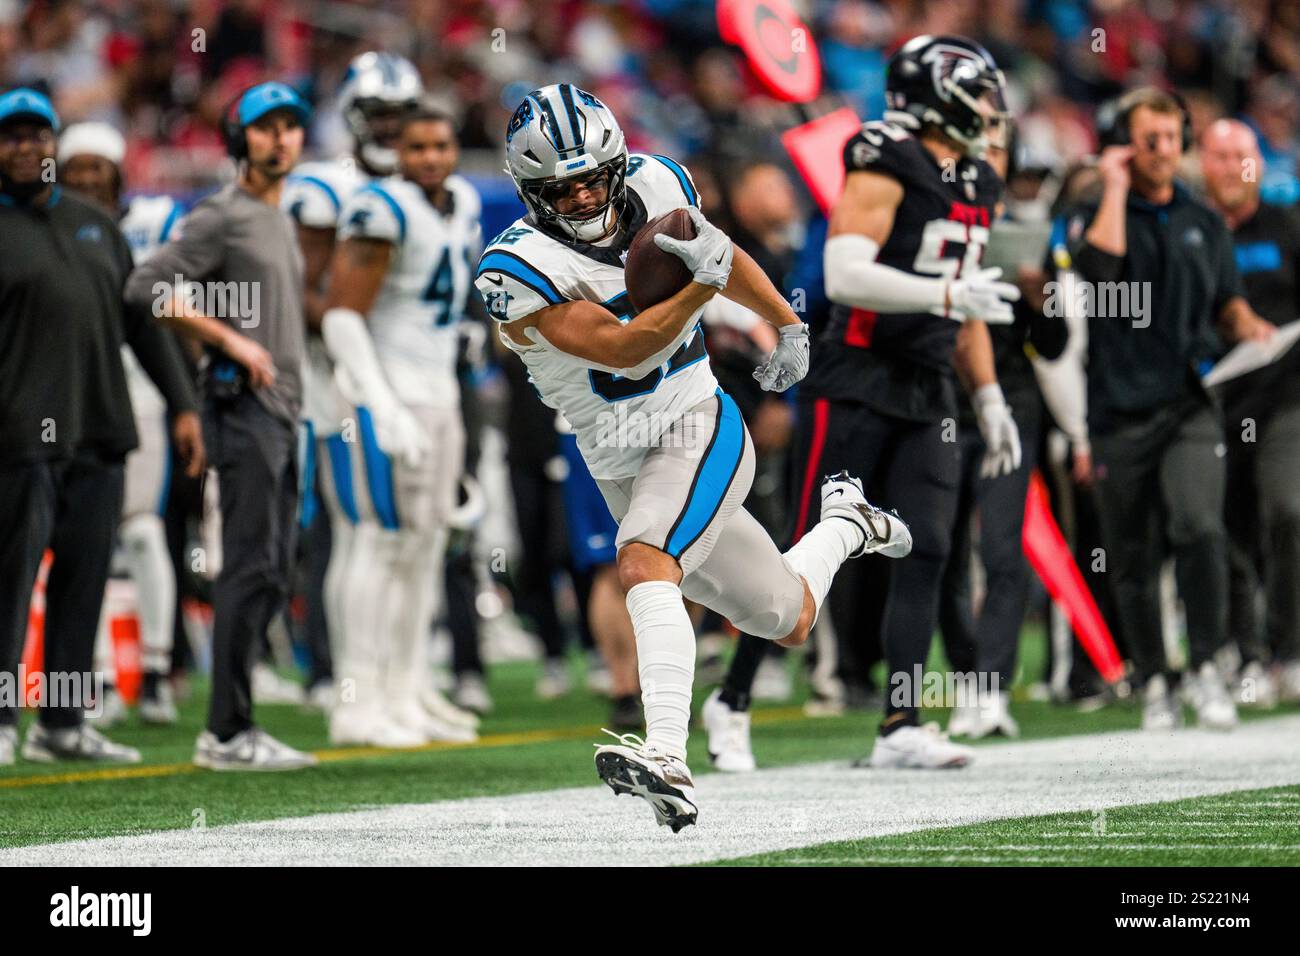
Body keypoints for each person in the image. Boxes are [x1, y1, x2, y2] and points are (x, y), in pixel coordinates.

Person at [476, 84, 911, 832]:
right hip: (615, 455)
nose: (582, 197)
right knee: (787, 614)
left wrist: (783, 320)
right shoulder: (515, 268)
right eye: (562, 187)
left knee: (644, 559)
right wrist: (704, 283)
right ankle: (847, 522)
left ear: (616, 164)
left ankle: (668, 757)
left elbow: (719, 251)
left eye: (591, 178)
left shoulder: (658, 183)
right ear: (529, 193)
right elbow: (625, 342)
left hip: (697, 421)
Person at [708, 36, 1023, 771]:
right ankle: (735, 697)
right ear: (940, 92)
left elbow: (966, 303)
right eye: (976, 90)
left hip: (929, 381)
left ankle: (900, 723)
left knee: (929, 546)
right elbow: (848, 274)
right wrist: (948, 295)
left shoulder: (976, 177)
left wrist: (990, 395)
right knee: (806, 542)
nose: (990, 108)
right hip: (855, 376)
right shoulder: (886, 152)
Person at [1062, 88, 1274, 731]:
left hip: (1188, 405)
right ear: (1126, 145)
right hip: (1118, 410)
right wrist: (1117, 186)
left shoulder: (1202, 221)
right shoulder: (1094, 208)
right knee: (1131, 553)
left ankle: (1206, 663)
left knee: (1199, 527)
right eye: (1148, 139)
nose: (1162, 151)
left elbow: (1226, 306)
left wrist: (1258, 329)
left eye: (1171, 138)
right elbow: (1096, 277)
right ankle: (1156, 677)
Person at [0, 88, 202, 766]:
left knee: (83, 582)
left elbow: (143, 324)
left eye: (38, 135)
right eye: (12, 136)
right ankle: (1, 722)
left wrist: (181, 404)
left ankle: (61, 724)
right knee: (10, 581)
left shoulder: (96, 225)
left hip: (100, 430)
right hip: (17, 436)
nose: (26, 147)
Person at [124, 81, 317, 770]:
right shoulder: (222, 214)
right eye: (266, 128)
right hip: (242, 412)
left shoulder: (277, 216)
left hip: (283, 413)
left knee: (270, 567)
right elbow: (145, 286)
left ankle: (235, 721)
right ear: (241, 139)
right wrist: (225, 339)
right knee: (247, 565)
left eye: (291, 126)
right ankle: (227, 731)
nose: (281, 138)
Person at [316, 104, 483, 747]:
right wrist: (379, 404)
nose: (432, 158)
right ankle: (358, 697)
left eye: (441, 145)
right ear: (398, 152)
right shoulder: (379, 207)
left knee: (424, 547)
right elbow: (340, 316)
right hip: (389, 393)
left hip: (439, 391)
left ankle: (406, 686)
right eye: (417, 147)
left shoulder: (462, 201)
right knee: (379, 540)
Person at [57, 120, 188, 726]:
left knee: (139, 531)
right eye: (74, 166)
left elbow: (182, 305)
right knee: (87, 544)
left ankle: (156, 670)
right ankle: (103, 679)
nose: (84, 177)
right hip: (67, 401)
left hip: (139, 397)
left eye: (95, 167)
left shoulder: (155, 222)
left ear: (116, 172)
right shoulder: (44, 225)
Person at [1199, 118, 1300, 705]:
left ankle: (1289, 648)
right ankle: (1247, 654)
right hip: (1213, 401)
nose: (1233, 165)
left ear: (1258, 163)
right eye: (1219, 155)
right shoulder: (1192, 230)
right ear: (1203, 164)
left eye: (1243, 154)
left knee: (1288, 511)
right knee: (1225, 529)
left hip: (1285, 398)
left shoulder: (1286, 228)